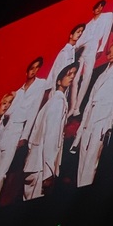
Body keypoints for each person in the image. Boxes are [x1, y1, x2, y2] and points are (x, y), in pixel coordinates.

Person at [0, 56, 47, 210]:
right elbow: (6, 114)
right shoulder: (17, 92)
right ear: (27, 70)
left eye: (37, 67)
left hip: (17, 132)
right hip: (3, 133)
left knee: (0, 175)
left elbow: (33, 111)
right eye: (32, 67)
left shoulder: (40, 84)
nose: (34, 70)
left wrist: (24, 136)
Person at [70, 39, 113, 187]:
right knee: (83, 160)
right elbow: (90, 102)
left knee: (91, 162)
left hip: (103, 119)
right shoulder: (102, 74)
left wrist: (110, 122)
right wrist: (80, 132)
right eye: (109, 51)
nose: (110, 54)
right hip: (89, 120)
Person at [22, 64, 78, 200]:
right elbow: (51, 138)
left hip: (35, 165)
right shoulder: (58, 102)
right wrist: (48, 172)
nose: (71, 77)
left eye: (73, 75)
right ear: (59, 81)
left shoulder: (54, 102)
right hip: (40, 168)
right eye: (68, 74)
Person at [72, 0, 113, 110]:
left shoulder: (107, 17)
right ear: (93, 10)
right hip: (82, 52)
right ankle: (72, 106)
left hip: (92, 51)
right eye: (97, 7)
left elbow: (106, 33)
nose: (99, 9)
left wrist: (101, 48)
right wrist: (73, 48)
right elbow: (81, 41)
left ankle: (77, 107)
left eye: (101, 6)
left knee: (86, 78)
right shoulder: (88, 25)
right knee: (75, 80)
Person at [48, 23, 86, 112]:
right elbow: (57, 71)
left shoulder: (72, 51)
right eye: (78, 31)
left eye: (81, 32)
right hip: (58, 87)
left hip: (64, 88)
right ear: (71, 35)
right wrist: (56, 88)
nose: (80, 34)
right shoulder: (65, 52)